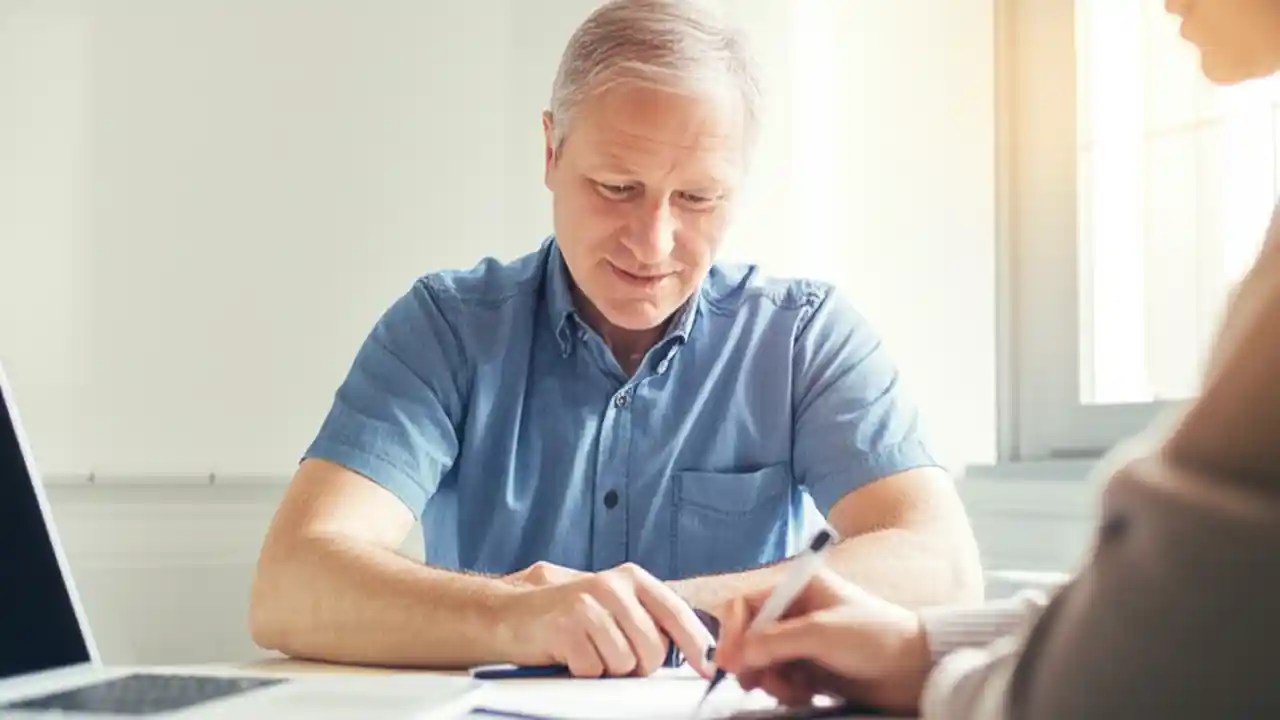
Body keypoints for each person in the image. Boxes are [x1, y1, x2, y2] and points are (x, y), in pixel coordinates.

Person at [248, 0, 983, 678]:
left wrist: (659, 612)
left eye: (697, 198)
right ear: (550, 152)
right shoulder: (446, 328)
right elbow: (290, 585)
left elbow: (942, 565)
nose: (653, 241)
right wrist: (517, 614)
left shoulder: (803, 339)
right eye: (617, 188)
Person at [714, 0, 1280, 716]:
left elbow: (1159, 649)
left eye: (700, 196)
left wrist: (936, 675)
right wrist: (917, 648)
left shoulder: (803, 329)